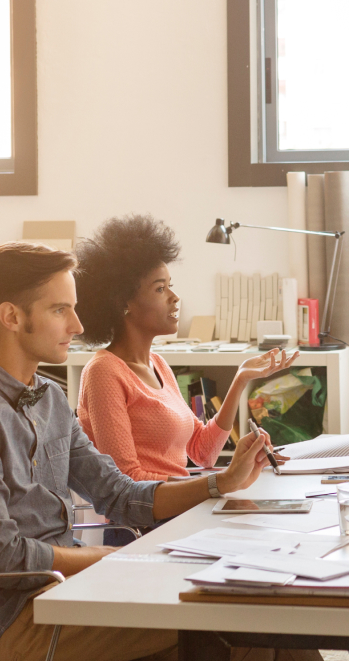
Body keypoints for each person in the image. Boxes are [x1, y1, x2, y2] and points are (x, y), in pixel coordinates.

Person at [0, 242, 317, 661]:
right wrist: (108, 558)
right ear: (12, 317)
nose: (77, 324)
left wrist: (222, 482)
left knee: (265, 609)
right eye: (60, 310)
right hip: (30, 624)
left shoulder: (50, 399)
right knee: (240, 623)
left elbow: (118, 493)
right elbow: (2, 557)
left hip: (76, 592)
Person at [73, 215, 296, 537]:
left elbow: (201, 452)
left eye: (170, 287)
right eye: (160, 288)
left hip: (183, 511)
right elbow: (125, 479)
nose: (174, 298)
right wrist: (213, 483)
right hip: (146, 524)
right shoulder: (104, 372)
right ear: (124, 304)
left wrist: (240, 381)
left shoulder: (158, 364)